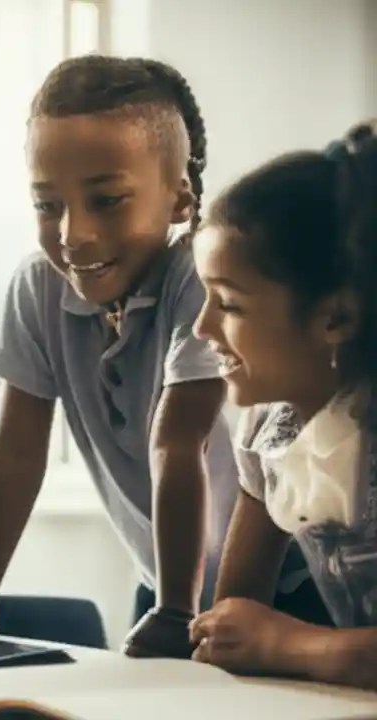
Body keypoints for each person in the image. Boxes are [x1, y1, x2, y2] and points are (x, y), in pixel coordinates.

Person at [0, 55, 324, 658]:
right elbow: (17, 455)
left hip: (285, 586)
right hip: (165, 579)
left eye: (106, 200)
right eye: (47, 204)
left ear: (180, 199)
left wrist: (176, 611)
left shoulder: (202, 278)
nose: (72, 234)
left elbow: (180, 440)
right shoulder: (38, 288)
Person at [190, 120, 377, 690]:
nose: (202, 327)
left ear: (336, 317)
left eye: (230, 304)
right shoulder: (268, 427)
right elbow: (233, 621)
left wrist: (289, 643)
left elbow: (261, 636)